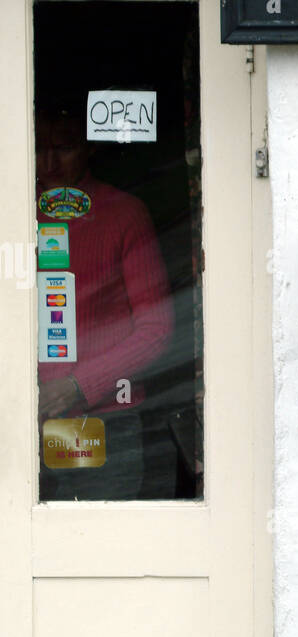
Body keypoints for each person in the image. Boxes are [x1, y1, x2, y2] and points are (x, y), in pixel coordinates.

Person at [36, 107, 174, 500]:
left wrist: (78, 386)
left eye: (63, 147)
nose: (49, 162)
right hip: (18, 418)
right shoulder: (14, 216)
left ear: (90, 146)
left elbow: (156, 331)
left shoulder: (123, 214)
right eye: (38, 148)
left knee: (102, 551)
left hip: (105, 422)